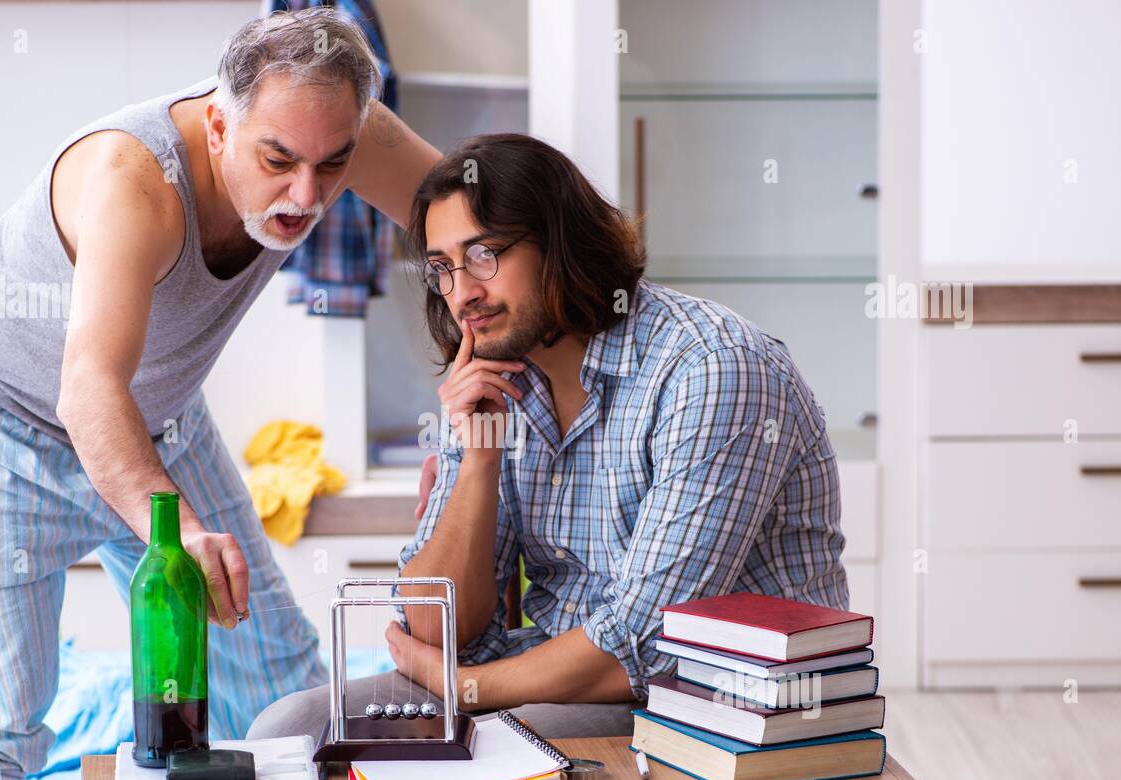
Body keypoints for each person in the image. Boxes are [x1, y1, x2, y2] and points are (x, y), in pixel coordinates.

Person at [0, 8, 440, 780]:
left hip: (158, 420)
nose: (307, 197)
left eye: (332, 165)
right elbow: (88, 391)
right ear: (219, 122)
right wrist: (182, 528)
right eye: (278, 162)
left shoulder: (334, 126)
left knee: (284, 686)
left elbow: (471, 214)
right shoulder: (134, 180)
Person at [246, 133, 848, 743]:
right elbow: (434, 629)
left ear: (561, 244)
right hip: (548, 676)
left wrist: (467, 689)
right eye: (442, 269)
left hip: (717, 693)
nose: (463, 293)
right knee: (290, 729)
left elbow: (645, 646)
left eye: (484, 255)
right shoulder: (496, 376)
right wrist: (478, 458)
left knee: (498, 743)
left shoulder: (712, 366)